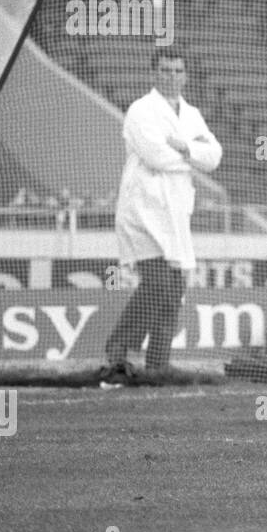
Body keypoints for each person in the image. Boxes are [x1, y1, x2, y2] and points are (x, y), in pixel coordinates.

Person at [103, 50, 222, 381]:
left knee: (172, 290)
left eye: (178, 70)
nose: (172, 75)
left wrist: (182, 146)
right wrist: (191, 155)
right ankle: (117, 352)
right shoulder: (141, 111)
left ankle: (157, 364)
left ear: (185, 75)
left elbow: (214, 157)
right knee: (156, 285)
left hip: (175, 215)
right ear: (152, 73)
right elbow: (155, 157)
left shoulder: (192, 114)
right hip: (143, 212)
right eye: (165, 69)